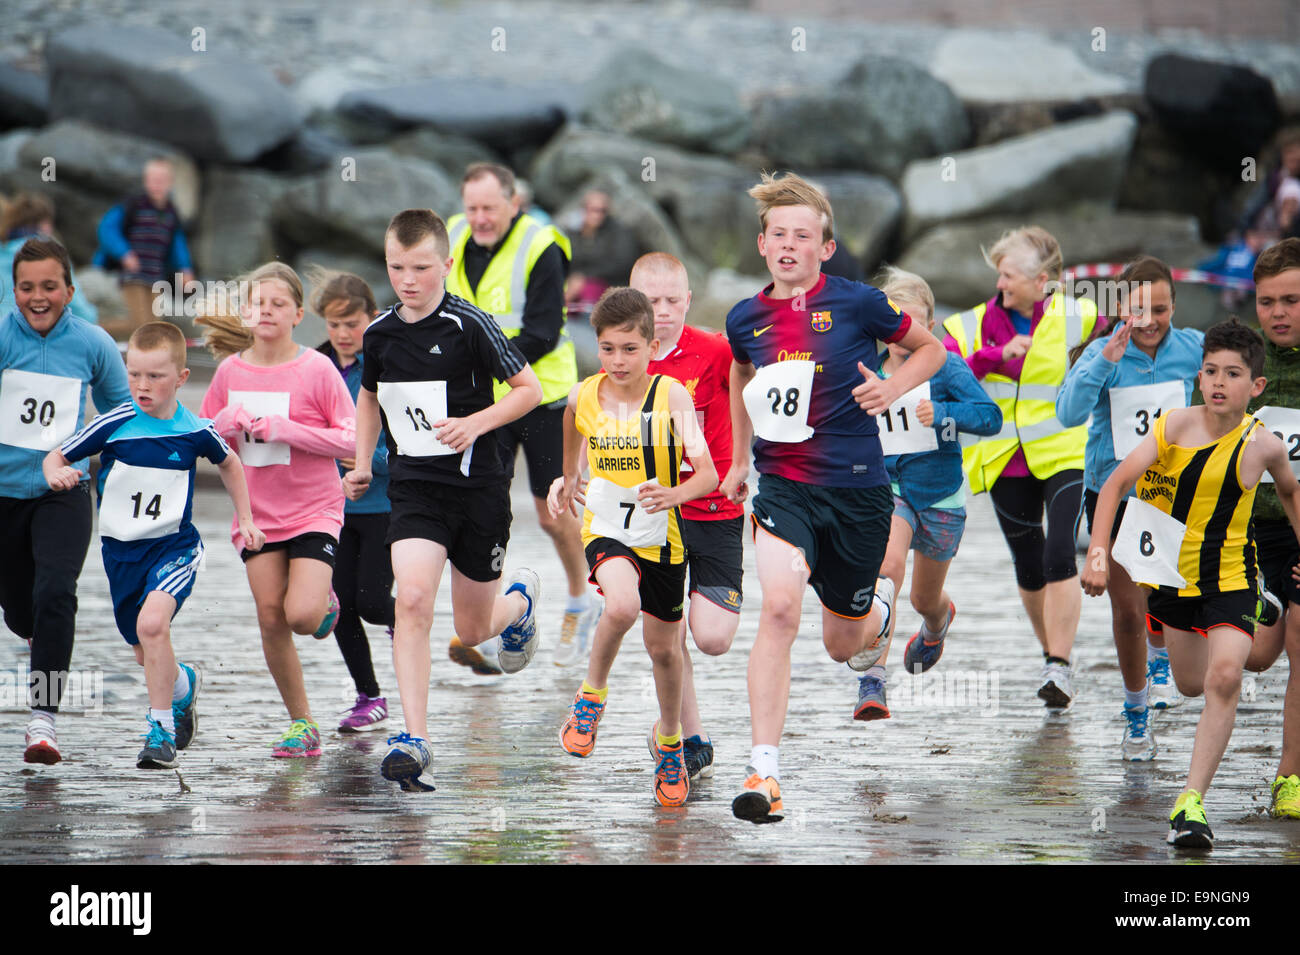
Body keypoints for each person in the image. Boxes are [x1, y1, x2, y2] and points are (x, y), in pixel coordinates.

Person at [719, 172, 946, 822]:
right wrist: (739, 458)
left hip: (858, 494)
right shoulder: (745, 317)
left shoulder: (858, 303)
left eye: (803, 236)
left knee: (843, 645)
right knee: (780, 610)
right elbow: (740, 371)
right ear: (762, 244)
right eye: (779, 235)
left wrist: (893, 386)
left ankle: (877, 603)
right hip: (784, 488)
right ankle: (764, 771)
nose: (790, 245)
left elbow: (927, 349)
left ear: (825, 247)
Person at [345, 208, 543, 793]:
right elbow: (369, 398)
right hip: (414, 490)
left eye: (421, 267)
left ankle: (521, 603)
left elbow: (529, 391)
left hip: (479, 490)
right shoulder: (379, 333)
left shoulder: (470, 325)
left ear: (446, 265)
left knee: (472, 628)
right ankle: (413, 737)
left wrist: (475, 423)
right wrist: (361, 462)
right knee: (411, 599)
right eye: (396, 267)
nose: (408, 279)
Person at [1082, 319, 1300, 849]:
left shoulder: (1264, 446)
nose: (1219, 381)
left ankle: (1190, 803)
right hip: (1175, 583)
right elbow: (1114, 485)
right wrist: (1096, 552)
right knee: (1189, 683)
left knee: (1225, 678)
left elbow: (1291, 493)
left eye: (1233, 373)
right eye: (1210, 371)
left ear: (1257, 387)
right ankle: (1267, 620)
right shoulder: (1173, 426)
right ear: (1198, 377)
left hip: (1231, 577)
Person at [42, 322, 262, 767]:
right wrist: (55, 473)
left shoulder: (194, 430)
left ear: (181, 379)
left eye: (155, 377)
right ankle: (183, 685)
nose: (142, 386)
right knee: (145, 649)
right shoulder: (115, 422)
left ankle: (158, 731)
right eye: (134, 374)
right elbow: (57, 455)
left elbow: (231, 462)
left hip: (174, 548)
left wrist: (247, 519)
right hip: (122, 555)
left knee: (152, 625)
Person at [549, 286, 718, 807]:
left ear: (651, 347)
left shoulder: (671, 397)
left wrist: (674, 493)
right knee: (620, 605)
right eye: (607, 348)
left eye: (629, 348)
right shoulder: (585, 393)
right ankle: (591, 696)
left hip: (661, 536)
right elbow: (571, 425)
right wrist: (568, 476)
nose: (618, 360)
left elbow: (708, 474)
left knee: (665, 650)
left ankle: (671, 742)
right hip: (605, 526)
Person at [198, 262, 355, 759]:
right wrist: (224, 422)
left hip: (314, 510)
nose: (266, 311)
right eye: (257, 303)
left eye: (278, 304)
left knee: (302, 616)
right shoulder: (229, 372)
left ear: (298, 314)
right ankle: (302, 724)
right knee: (271, 618)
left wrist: (283, 429)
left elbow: (351, 440)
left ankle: (325, 600)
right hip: (257, 517)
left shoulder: (316, 368)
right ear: (246, 313)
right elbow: (200, 436)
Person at [444, 163, 595, 673]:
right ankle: (489, 619)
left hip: (545, 395)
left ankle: (581, 600)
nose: (480, 219)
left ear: (514, 202)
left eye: (490, 208)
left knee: (552, 512)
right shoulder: (451, 236)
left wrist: (484, 360)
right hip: (484, 401)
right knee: (485, 506)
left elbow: (545, 330)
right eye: (473, 208)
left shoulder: (542, 244)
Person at [943, 226, 1100, 708]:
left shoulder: (1083, 315)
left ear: (1045, 280)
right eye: (999, 275)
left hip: (1065, 451)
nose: (1001, 284)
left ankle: (1061, 664)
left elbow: (1117, 360)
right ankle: (1050, 654)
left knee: (1058, 553)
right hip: (1002, 457)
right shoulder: (965, 325)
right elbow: (943, 374)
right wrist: (993, 356)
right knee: (1029, 564)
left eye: (1010, 276)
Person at [1058, 257, 1207, 761]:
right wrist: (1104, 361)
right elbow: (1067, 413)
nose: (1149, 320)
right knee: (1127, 609)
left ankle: (1162, 657)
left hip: (1176, 495)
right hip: (1113, 494)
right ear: (1120, 306)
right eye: (1139, 309)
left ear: (1173, 307)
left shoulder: (1194, 348)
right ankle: (1137, 716)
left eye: (1160, 309)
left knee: (1166, 595)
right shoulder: (1104, 350)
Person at [0, 237, 129, 763]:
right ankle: (36, 636)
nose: (38, 296)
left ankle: (42, 721)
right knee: (21, 611)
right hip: (3, 495)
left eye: (49, 286)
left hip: (65, 491)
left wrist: (110, 475)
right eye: (27, 287)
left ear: (69, 289)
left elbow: (122, 413)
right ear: (13, 291)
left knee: (56, 591)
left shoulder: (94, 343)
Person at [858, 268, 1001, 718]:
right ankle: (873, 681)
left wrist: (943, 412)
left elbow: (990, 417)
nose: (904, 337)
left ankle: (938, 625)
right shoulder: (867, 367)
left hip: (940, 497)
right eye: (896, 324)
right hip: (889, 490)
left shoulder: (946, 367)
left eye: (915, 325)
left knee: (925, 599)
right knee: (887, 569)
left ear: (931, 329)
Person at [626, 252, 741, 781]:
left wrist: (746, 462)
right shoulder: (625, 361)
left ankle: (675, 730)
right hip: (652, 516)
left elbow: (758, 389)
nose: (664, 311)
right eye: (652, 301)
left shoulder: (717, 352)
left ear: (689, 301)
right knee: (666, 635)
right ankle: (689, 737)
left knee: (713, 637)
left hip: (715, 507)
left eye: (674, 300)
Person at [310, 268, 393, 733]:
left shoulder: (388, 365)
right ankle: (369, 697)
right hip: (333, 509)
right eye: (334, 325)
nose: (343, 335)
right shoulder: (318, 366)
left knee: (375, 603)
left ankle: (407, 618)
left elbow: (402, 438)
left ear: (372, 316)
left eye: (352, 323)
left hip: (385, 505)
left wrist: (367, 464)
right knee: (340, 602)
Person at [1238, 238, 1300, 818]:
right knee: (1254, 657)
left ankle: (1290, 779)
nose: (1278, 312)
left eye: (1292, 300)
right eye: (1267, 301)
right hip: (1248, 538)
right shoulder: (1241, 364)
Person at [93, 157, 195, 336]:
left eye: (161, 181)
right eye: (152, 180)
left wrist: (185, 269)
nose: (156, 185)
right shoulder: (134, 205)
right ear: (145, 181)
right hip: (133, 275)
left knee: (155, 326)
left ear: (170, 183)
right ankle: (94, 329)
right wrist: (124, 253)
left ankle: (151, 361)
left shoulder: (171, 214)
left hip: (156, 278)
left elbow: (177, 244)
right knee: (139, 325)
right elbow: (106, 228)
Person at [0, 193, 98, 323]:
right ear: (44, 223)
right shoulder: (50, 253)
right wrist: (91, 320)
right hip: (32, 327)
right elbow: (77, 306)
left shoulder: (4, 252)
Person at [565, 189, 646, 308]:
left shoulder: (620, 232)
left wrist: (585, 277)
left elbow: (622, 263)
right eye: (593, 209)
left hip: (610, 287)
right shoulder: (574, 232)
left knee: (588, 290)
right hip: (574, 284)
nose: (597, 215)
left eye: (602, 211)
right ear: (583, 210)